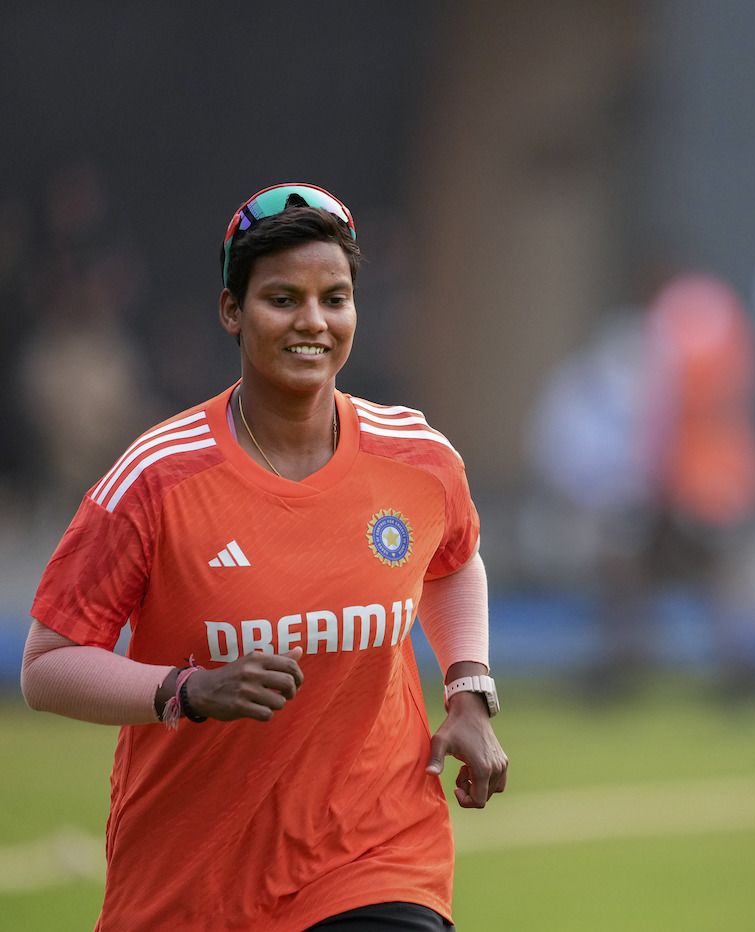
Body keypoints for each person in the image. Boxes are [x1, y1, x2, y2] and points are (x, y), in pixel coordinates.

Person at [21, 182, 508, 931]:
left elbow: (454, 559)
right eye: (283, 299)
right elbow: (47, 665)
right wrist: (184, 691)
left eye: (335, 298)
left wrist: (469, 692)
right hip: (189, 887)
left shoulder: (418, 456)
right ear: (231, 313)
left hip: (376, 858)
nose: (313, 322)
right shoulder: (157, 477)